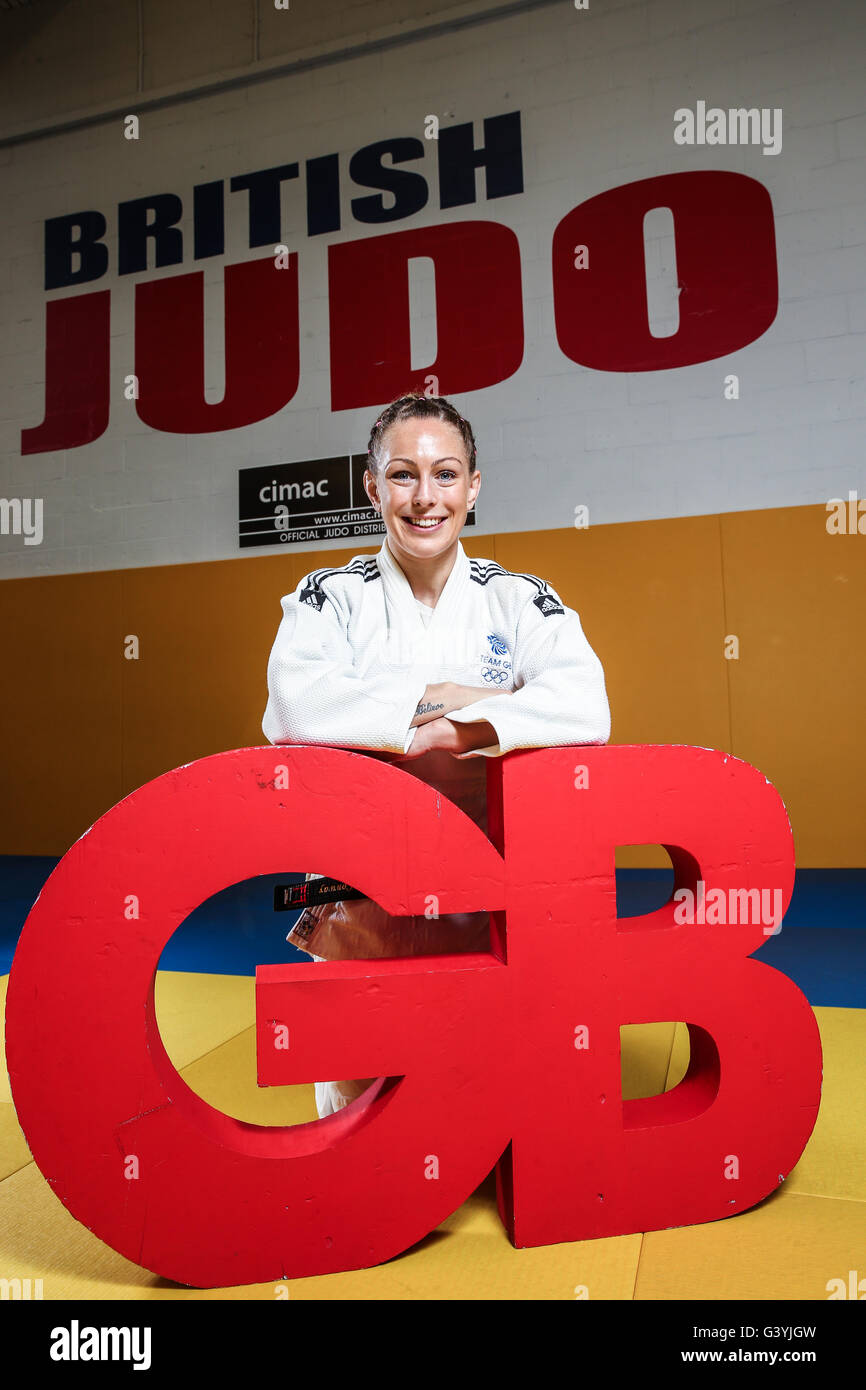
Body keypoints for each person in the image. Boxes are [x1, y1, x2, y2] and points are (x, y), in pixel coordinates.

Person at [262, 392, 611, 1117]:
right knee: (359, 1117)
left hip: (487, 882)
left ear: (474, 486)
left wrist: (454, 727)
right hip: (356, 884)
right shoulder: (329, 597)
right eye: (402, 475)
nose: (426, 498)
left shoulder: (518, 600)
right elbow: (297, 708)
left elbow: (585, 705)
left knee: (478, 1103)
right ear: (371, 486)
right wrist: (462, 698)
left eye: (446, 474)